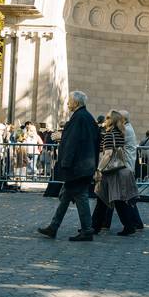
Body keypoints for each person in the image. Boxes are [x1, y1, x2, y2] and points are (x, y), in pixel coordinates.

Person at [38, 92, 97, 241]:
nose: (67, 104)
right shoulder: (87, 117)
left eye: (69, 101)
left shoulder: (79, 118)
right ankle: (54, 226)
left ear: (76, 103)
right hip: (84, 165)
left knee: (80, 197)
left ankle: (87, 229)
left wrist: (65, 163)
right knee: (66, 197)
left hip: (78, 166)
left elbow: (72, 143)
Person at [93, 109, 146, 236]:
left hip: (112, 171)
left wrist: (99, 169)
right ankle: (95, 226)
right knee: (108, 199)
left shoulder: (110, 134)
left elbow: (108, 154)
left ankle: (97, 226)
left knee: (111, 199)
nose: (105, 120)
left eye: (107, 117)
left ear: (112, 120)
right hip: (118, 170)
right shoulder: (120, 132)